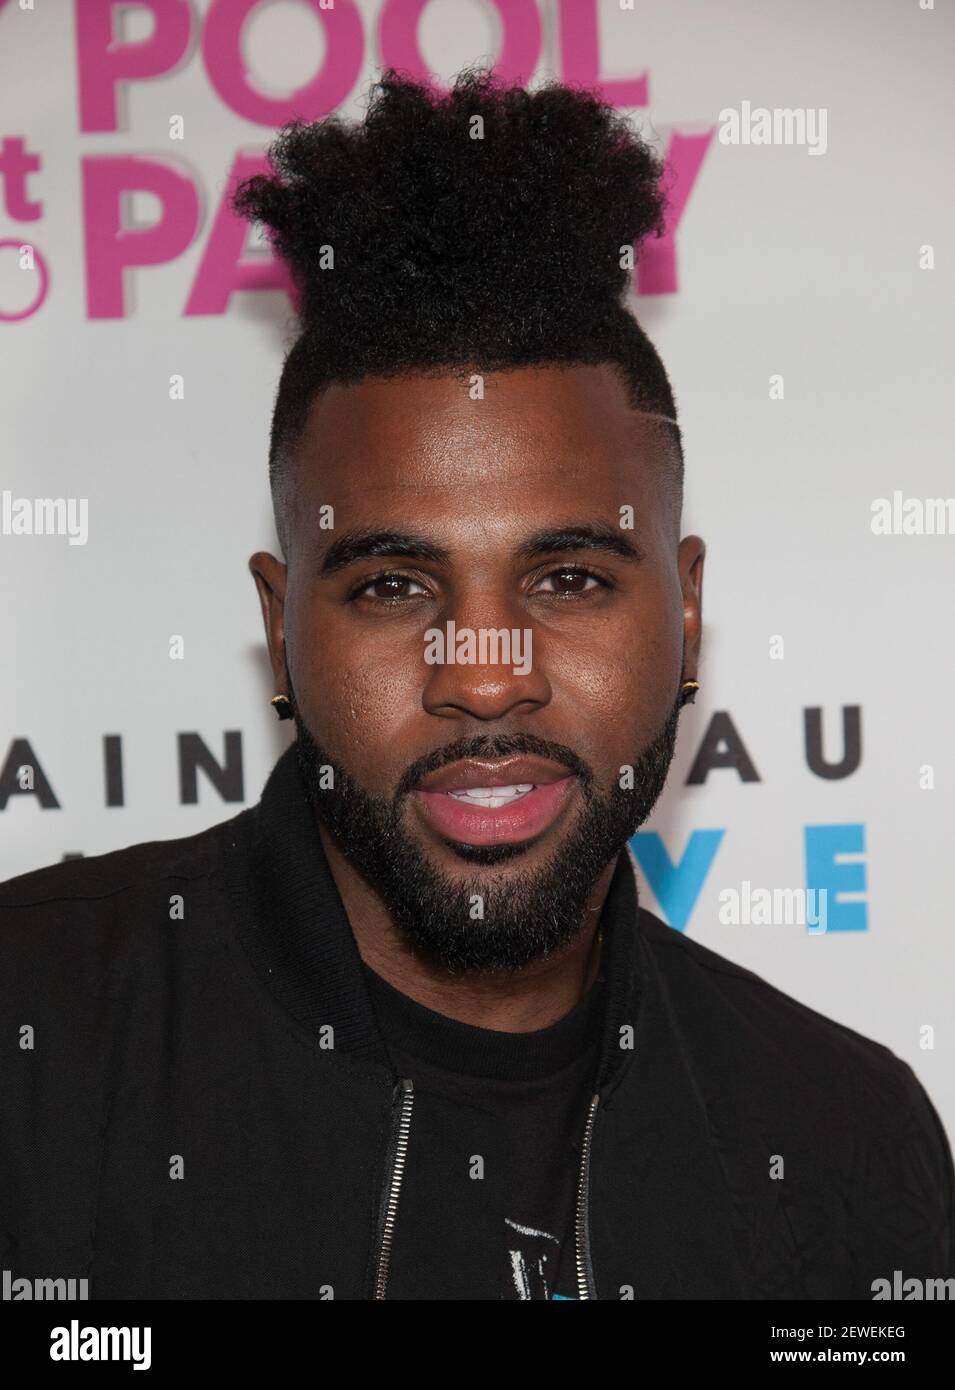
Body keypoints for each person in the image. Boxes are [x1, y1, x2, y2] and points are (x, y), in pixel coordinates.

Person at [1, 70, 951, 1301]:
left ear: (690, 610)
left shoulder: (842, 1137)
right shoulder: (37, 1044)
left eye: (567, 578)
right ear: (279, 634)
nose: (486, 681)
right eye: (394, 588)